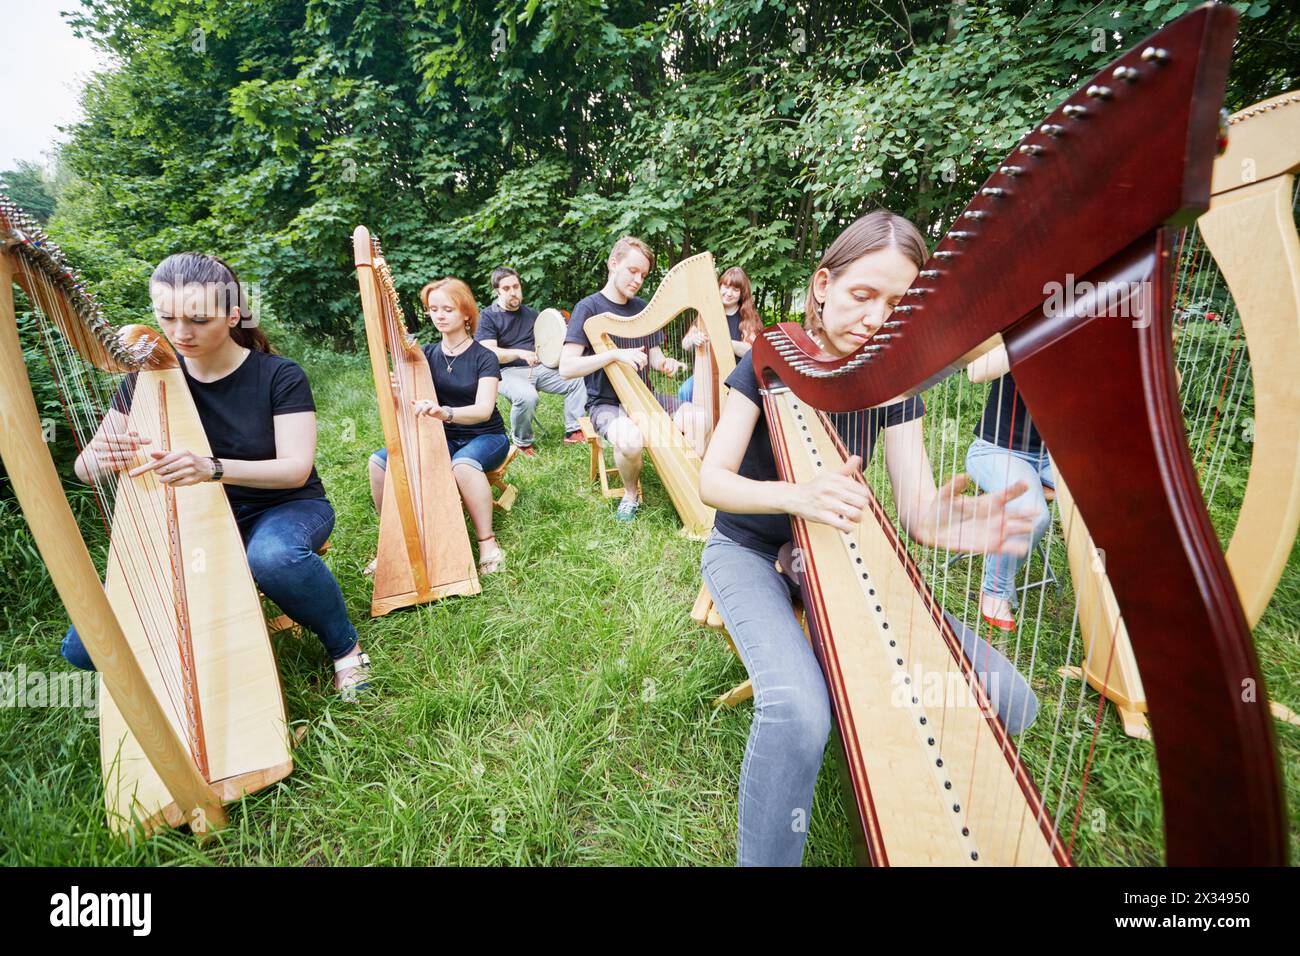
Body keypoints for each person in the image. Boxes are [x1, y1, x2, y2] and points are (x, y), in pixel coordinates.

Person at [697, 211, 1041, 866]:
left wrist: (948, 524)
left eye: (896, 304)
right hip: (745, 550)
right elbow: (712, 480)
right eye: (863, 294)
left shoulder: (891, 384)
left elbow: (917, 511)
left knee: (1011, 700)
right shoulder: (768, 365)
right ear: (823, 284)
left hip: (835, 555)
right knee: (800, 712)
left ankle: (914, 765)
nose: (875, 316)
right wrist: (796, 496)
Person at [61, 253, 369, 698]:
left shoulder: (278, 376)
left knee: (272, 557)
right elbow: (85, 468)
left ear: (233, 313)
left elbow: (295, 469)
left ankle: (345, 648)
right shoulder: (145, 381)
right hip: (193, 519)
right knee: (81, 648)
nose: (180, 333)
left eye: (198, 319)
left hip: (283, 505)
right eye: (166, 317)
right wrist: (100, 456)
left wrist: (211, 468)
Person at [367, 278, 509, 573]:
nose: (439, 315)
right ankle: (393, 542)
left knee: (463, 465)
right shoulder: (425, 356)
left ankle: (487, 541)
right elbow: (415, 406)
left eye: (448, 308)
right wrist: (397, 393)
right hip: (439, 436)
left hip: (485, 436)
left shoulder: (485, 357)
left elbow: (483, 411)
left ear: (466, 313)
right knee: (379, 463)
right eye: (433, 309)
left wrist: (444, 413)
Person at [558, 236, 687, 522]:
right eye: (632, 270)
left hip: (646, 398)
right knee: (630, 440)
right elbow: (566, 367)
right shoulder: (588, 308)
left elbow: (654, 357)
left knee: (696, 416)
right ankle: (631, 494)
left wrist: (665, 363)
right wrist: (614, 356)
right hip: (605, 403)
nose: (638, 279)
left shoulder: (642, 308)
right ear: (613, 264)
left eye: (643, 274)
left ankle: (694, 488)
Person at [964, 347, 1055, 632]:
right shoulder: (1019, 324)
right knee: (1031, 513)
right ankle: (995, 590)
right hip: (997, 451)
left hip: (1056, 456)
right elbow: (976, 372)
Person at [476, 266, 587, 455]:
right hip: (504, 372)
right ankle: (522, 442)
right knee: (527, 396)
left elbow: (546, 344)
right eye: (506, 288)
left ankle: (573, 429)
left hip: (539, 368)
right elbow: (490, 353)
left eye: (516, 286)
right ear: (496, 291)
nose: (513, 292)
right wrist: (520, 353)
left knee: (578, 378)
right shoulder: (487, 316)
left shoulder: (532, 314)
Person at [677, 265, 762, 403]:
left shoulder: (747, 317)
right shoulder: (708, 312)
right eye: (726, 287)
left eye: (735, 289)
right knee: (685, 392)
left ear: (742, 294)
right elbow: (685, 344)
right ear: (719, 287)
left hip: (735, 376)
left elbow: (751, 350)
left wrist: (721, 340)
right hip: (708, 374)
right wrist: (693, 339)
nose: (729, 293)